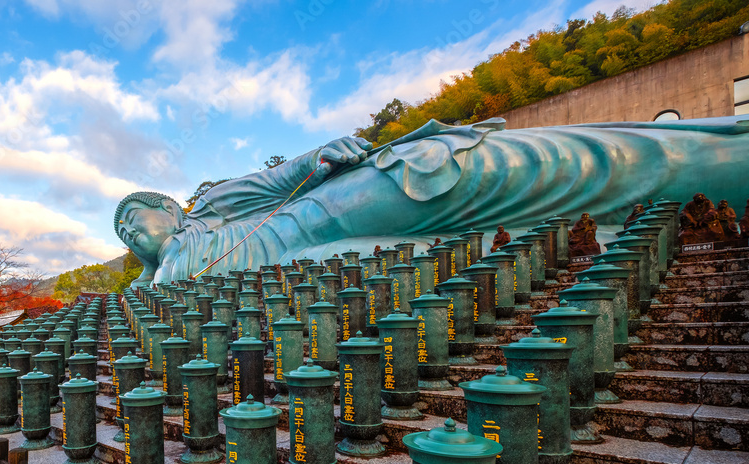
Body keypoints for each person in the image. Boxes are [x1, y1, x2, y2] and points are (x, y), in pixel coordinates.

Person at [114, 116, 749, 285]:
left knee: (487, 170)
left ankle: (708, 160)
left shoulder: (211, 211)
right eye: (121, 235)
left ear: (170, 209)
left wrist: (319, 158)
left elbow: (278, 181)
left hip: (331, 211)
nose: (129, 233)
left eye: (132, 219)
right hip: (338, 262)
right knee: (503, 228)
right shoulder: (156, 281)